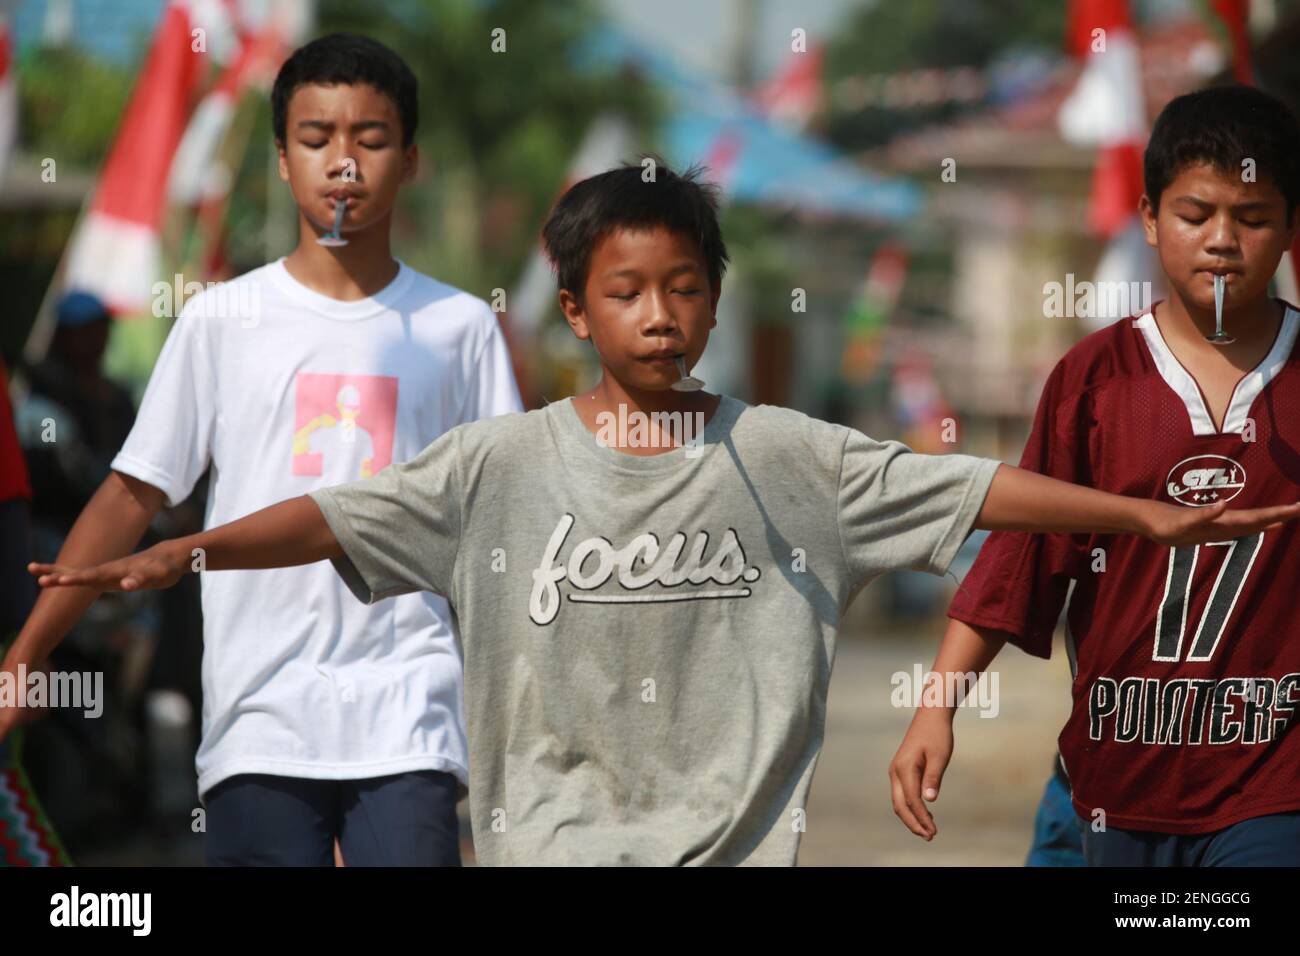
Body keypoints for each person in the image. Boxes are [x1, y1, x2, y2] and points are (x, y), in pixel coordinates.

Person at [22, 162, 1300, 866]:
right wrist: (194, 544)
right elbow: (334, 514)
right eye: (626, 289)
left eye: (683, 287)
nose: (657, 313)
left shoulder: (792, 455)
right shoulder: (497, 465)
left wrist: (1137, 521)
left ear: (711, 303)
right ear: (574, 309)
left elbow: (973, 490)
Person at [1, 32, 522, 867]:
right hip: (258, 715)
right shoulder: (220, 320)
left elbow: (505, 528)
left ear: (411, 160)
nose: (343, 163)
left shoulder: (461, 330)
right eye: (317, 140)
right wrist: (29, 652)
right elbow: (134, 494)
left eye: (372, 139)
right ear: (282, 160)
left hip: (410, 710)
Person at [889, 85, 1300, 867]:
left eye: (1251, 219)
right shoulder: (1094, 380)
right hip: (1112, 786)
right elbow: (1017, 567)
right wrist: (934, 709)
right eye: (1195, 215)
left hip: (1273, 793)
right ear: (1148, 218)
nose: (1222, 241)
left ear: (1289, 230)